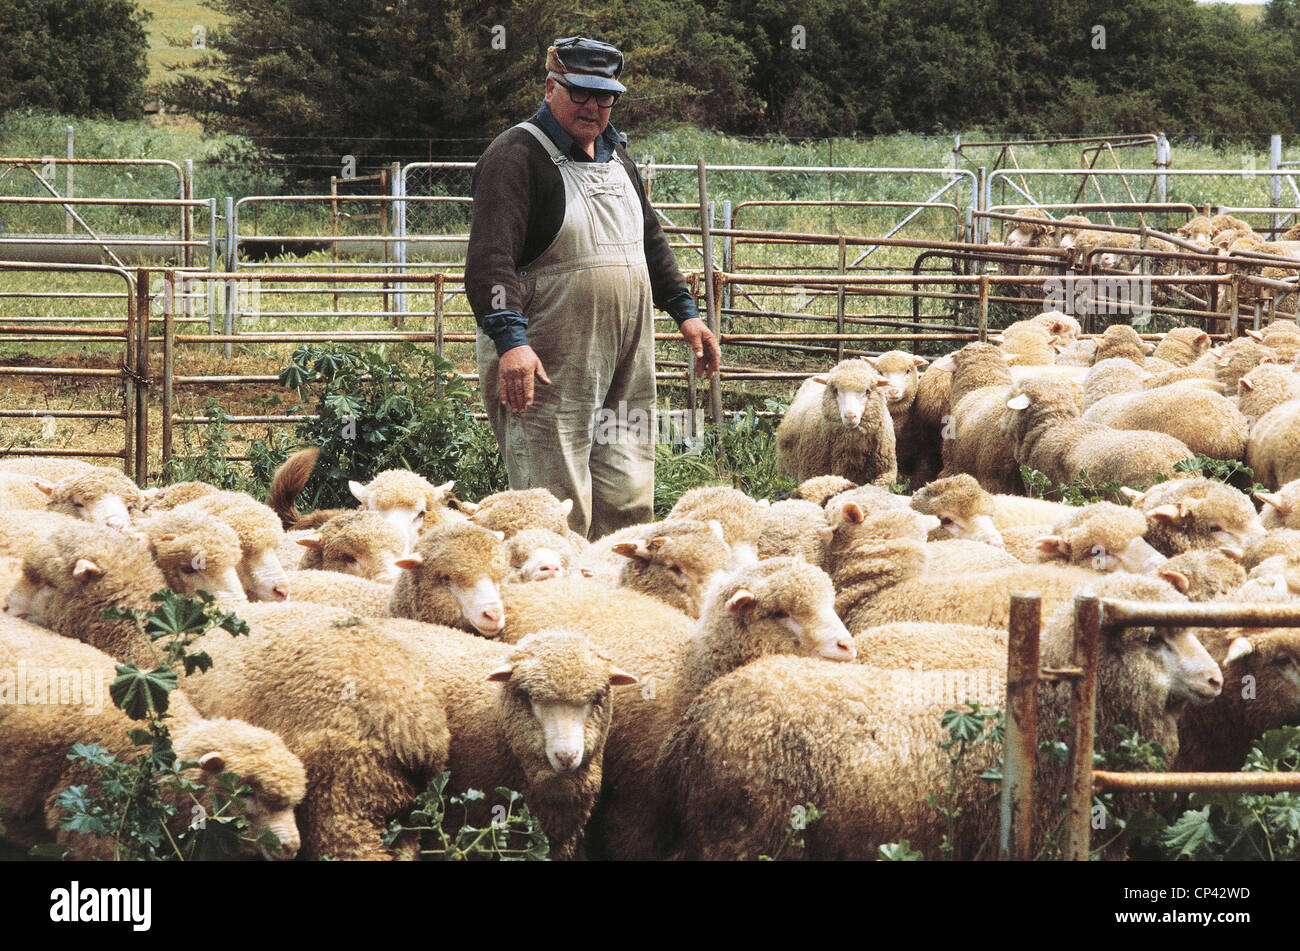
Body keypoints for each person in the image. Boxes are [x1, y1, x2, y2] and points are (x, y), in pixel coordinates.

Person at [466, 35, 720, 541]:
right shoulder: (516, 156)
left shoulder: (615, 153)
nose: (593, 106)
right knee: (554, 497)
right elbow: (489, 263)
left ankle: (617, 601)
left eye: (604, 96)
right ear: (550, 87)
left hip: (626, 352)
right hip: (547, 356)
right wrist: (511, 342)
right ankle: (554, 601)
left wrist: (685, 311)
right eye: (579, 92)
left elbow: (649, 240)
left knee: (627, 484)